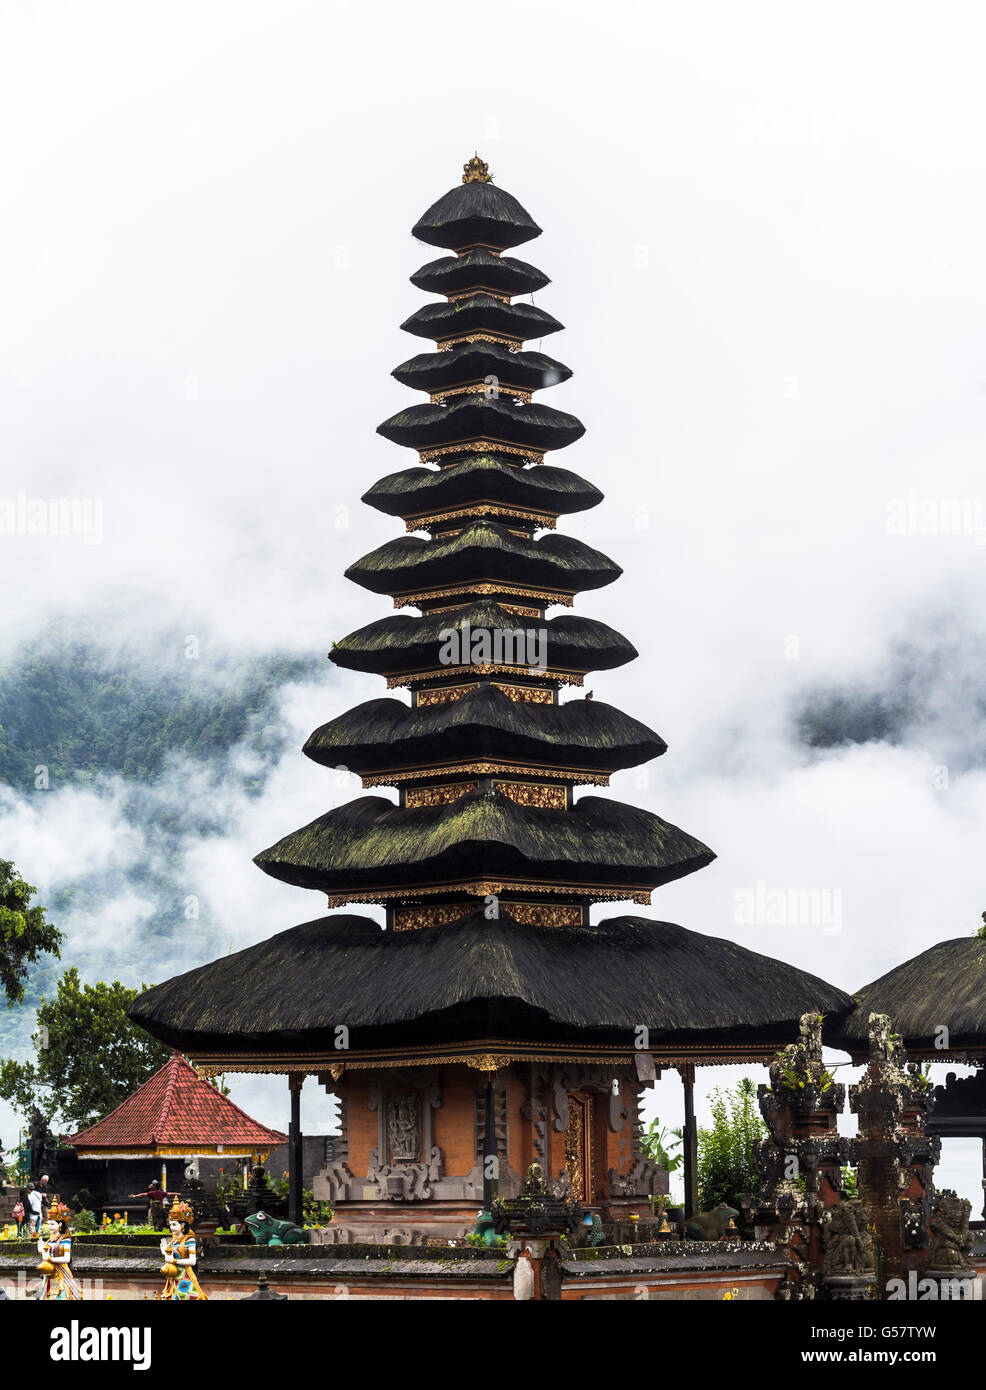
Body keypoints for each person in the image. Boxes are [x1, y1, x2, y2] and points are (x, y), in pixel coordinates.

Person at [157, 1199, 206, 1300]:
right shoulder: (173, 1241)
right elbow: (168, 1259)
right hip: (174, 1276)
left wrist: (174, 1260)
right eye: (170, 1224)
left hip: (185, 1276)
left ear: (183, 1225)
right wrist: (165, 1252)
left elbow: (192, 1261)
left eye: (174, 1224)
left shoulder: (190, 1240)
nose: (171, 1227)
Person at [37, 1200, 82, 1301]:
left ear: (60, 1224)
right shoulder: (50, 1239)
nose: (49, 1227)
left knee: (62, 1296)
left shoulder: (65, 1240)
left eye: (52, 1224)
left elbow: (66, 1258)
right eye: (48, 1224)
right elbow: (46, 1255)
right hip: (50, 1273)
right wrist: (41, 1250)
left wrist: (49, 1258)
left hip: (61, 1273)